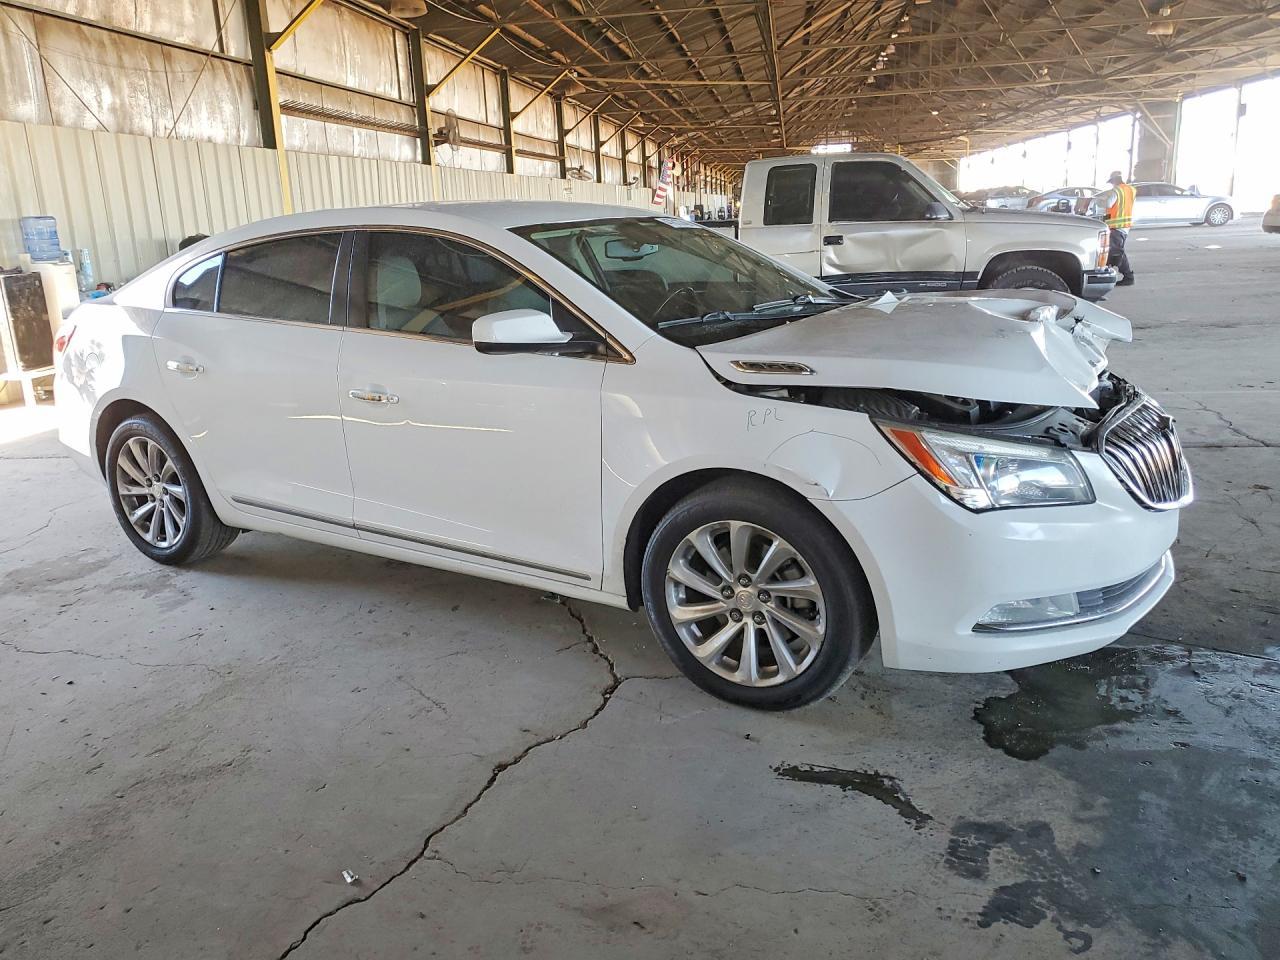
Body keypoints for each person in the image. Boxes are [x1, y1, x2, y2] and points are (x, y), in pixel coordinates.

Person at [1097, 171, 1136, 286]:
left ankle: (1128, 276)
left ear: (1114, 181)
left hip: (1117, 226)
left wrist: (1098, 201)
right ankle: (1105, 272)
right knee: (1112, 250)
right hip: (1125, 225)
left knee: (1117, 252)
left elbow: (1109, 204)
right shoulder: (1131, 190)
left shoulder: (1116, 191)